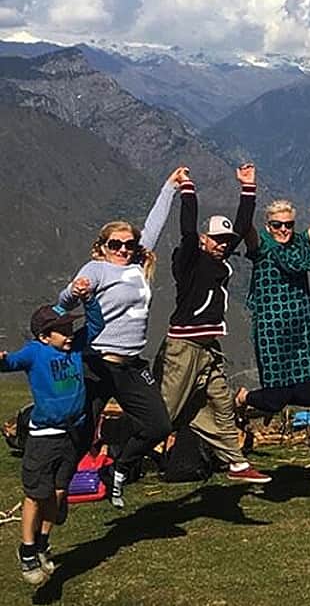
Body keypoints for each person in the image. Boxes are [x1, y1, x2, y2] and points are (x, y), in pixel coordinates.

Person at [58, 167, 186, 508]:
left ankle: (120, 467)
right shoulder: (96, 269)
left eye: (129, 244)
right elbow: (63, 302)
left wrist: (170, 187)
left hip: (131, 365)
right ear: (102, 247)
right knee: (82, 432)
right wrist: (75, 292)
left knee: (158, 426)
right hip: (98, 363)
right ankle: (58, 488)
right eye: (115, 244)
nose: (123, 249)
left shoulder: (136, 265)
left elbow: (154, 226)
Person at [155, 164, 271, 484]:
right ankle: (117, 455)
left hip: (207, 348)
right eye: (216, 239)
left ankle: (236, 464)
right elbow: (188, 231)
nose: (222, 244)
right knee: (163, 417)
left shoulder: (220, 258)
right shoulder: (190, 262)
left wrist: (248, 187)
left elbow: (242, 225)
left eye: (225, 241)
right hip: (183, 348)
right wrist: (187, 188)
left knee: (222, 401)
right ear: (204, 240)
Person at [1, 284, 100, 585]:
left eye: (70, 328)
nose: (69, 334)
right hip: (44, 438)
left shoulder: (75, 347)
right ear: (45, 336)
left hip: (71, 435)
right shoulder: (36, 352)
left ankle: (43, 542)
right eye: (62, 331)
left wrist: (89, 299)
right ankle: (27, 551)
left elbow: (96, 325)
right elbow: (11, 362)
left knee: (58, 493)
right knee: (37, 495)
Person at [236, 159, 310, 417]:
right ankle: (243, 398)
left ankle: (261, 407)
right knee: (275, 399)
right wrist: (248, 187)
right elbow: (243, 225)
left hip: (302, 329)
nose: (284, 229)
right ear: (268, 226)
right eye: (277, 225)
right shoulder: (261, 246)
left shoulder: (301, 244)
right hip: (272, 331)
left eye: (288, 224)